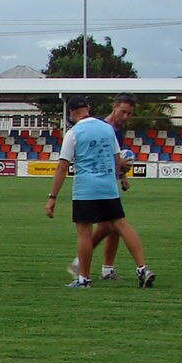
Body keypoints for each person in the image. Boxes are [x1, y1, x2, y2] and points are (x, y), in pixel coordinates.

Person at [46, 96, 155, 290]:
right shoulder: (107, 129)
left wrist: (52, 197)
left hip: (85, 189)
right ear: (88, 108)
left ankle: (84, 279)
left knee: (84, 233)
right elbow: (117, 161)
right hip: (108, 188)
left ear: (71, 113)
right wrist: (122, 178)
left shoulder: (73, 133)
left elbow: (62, 167)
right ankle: (142, 269)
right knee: (121, 225)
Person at [69, 92, 135, 281]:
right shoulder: (102, 127)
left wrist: (122, 177)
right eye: (123, 112)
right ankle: (80, 262)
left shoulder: (119, 130)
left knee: (114, 227)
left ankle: (107, 268)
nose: (126, 117)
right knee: (108, 225)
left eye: (129, 114)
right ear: (114, 107)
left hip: (108, 184)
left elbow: (114, 158)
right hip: (93, 186)